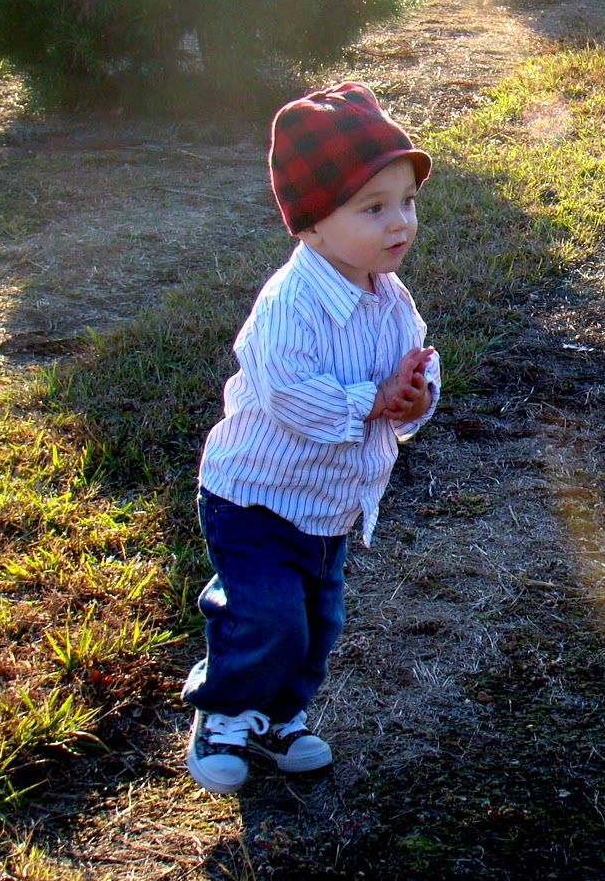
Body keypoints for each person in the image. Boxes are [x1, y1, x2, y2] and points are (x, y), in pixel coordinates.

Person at [181, 82, 440, 794]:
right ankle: (225, 711)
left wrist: (415, 393)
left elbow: (413, 362)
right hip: (255, 495)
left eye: (407, 202)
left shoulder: (390, 297)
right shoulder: (289, 304)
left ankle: (279, 716)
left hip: (325, 506)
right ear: (310, 225)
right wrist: (371, 400)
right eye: (374, 207)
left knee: (316, 628)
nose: (400, 223)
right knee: (268, 619)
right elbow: (292, 397)